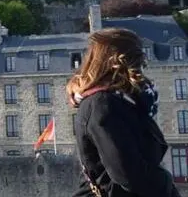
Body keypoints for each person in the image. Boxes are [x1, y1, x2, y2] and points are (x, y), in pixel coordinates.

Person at [68, 28, 181, 197]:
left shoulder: (125, 103)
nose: (140, 69)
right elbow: (129, 176)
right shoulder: (102, 105)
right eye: (137, 61)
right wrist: (165, 180)